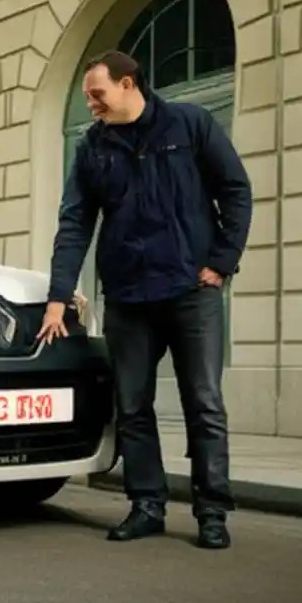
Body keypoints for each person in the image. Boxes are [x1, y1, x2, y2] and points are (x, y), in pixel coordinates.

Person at [38, 50, 253, 550]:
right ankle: (147, 505)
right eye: (88, 96)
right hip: (129, 297)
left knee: (204, 402)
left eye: (97, 93)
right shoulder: (92, 147)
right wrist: (57, 299)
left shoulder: (190, 125)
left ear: (129, 84)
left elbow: (236, 191)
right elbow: (74, 224)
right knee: (133, 405)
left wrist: (221, 262)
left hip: (191, 292)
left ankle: (212, 511)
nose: (90, 103)